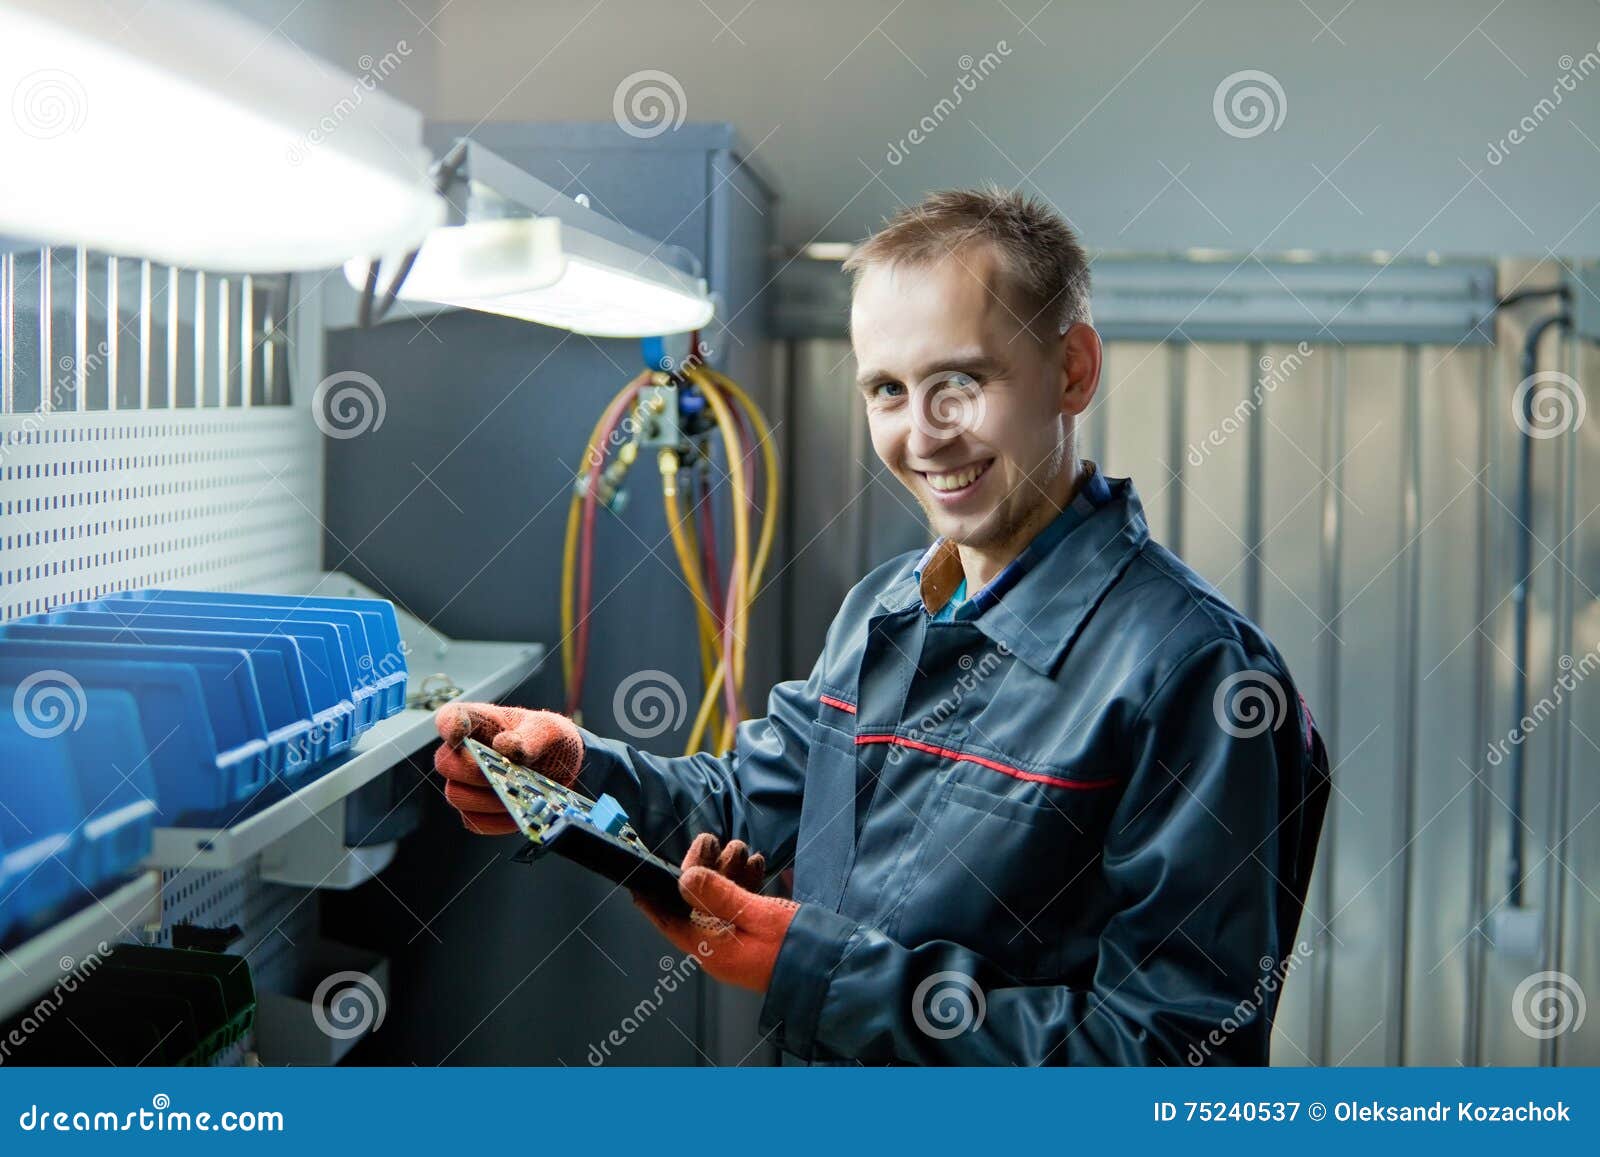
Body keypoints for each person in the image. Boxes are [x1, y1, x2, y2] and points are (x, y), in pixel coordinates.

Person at [431, 186, 1331, 1065]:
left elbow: (1171, 1058)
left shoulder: (1194, 673)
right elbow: (752, 803)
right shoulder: (886, 608)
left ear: (1073, 370)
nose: (924, 434)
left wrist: (820, 972)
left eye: (961, 382)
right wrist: (579, 772)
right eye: (889, 390)